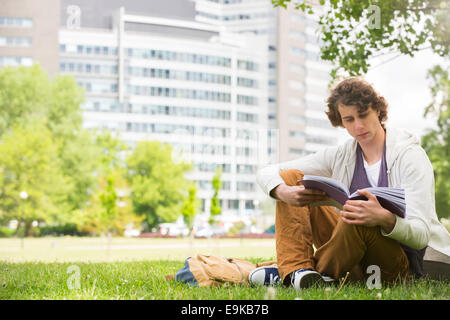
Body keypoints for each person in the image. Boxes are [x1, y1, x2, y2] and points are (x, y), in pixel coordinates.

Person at [253, 77, 450, 290]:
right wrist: (282, 191)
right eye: (348, 119)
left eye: (363, 115)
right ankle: (296, 272)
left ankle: (292, 273)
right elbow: (268, 171)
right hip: (352, 252)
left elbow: (421, 235)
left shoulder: (410, 156)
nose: (358, 126)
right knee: (291, 177)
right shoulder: (342, 155)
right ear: (340, 121)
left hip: (400, 261)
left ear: (378, 110)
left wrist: (384, 218)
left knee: (357, 215)